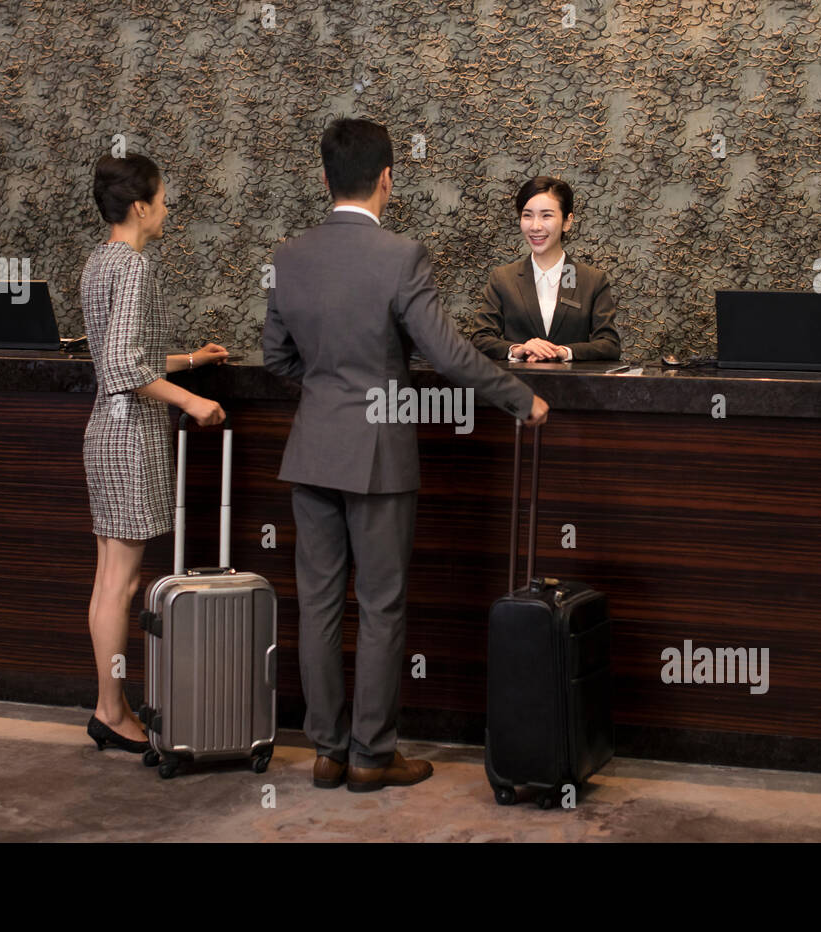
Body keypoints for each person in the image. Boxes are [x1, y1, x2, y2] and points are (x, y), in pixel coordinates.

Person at [263, 118, 550, 792]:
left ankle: (327, 751)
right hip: (379, 459)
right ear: (388, 177)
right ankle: (371, 755)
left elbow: (278, 357)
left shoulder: (289, 255)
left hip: (311, 453)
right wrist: (518, 398)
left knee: (318, 604)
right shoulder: (401, 256)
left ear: (324, 176)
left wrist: (331, 391)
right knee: (382, 605)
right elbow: (448, 353)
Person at [81, 153, 229, 754]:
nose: (168, 208)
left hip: (104, 432)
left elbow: (123, 357)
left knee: (108, 580)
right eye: (163, 199)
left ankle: (107, 706)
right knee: (121, 584)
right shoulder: (135, 267)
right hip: (129, 436)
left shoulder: (99, 262)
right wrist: (191, 401)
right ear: (140, 206)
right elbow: (121, 367)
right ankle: (112, 712)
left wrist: (192, 358)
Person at [471, 176, 621, 363]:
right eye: (527, 215)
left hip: (576, 388)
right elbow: (480, 339)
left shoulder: (591, 280)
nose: (536, 226)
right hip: (516, 388)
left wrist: (563, 352)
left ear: (567, 221)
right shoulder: (503, 279)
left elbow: (609, 344)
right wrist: (518, 349)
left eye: (546, 215)